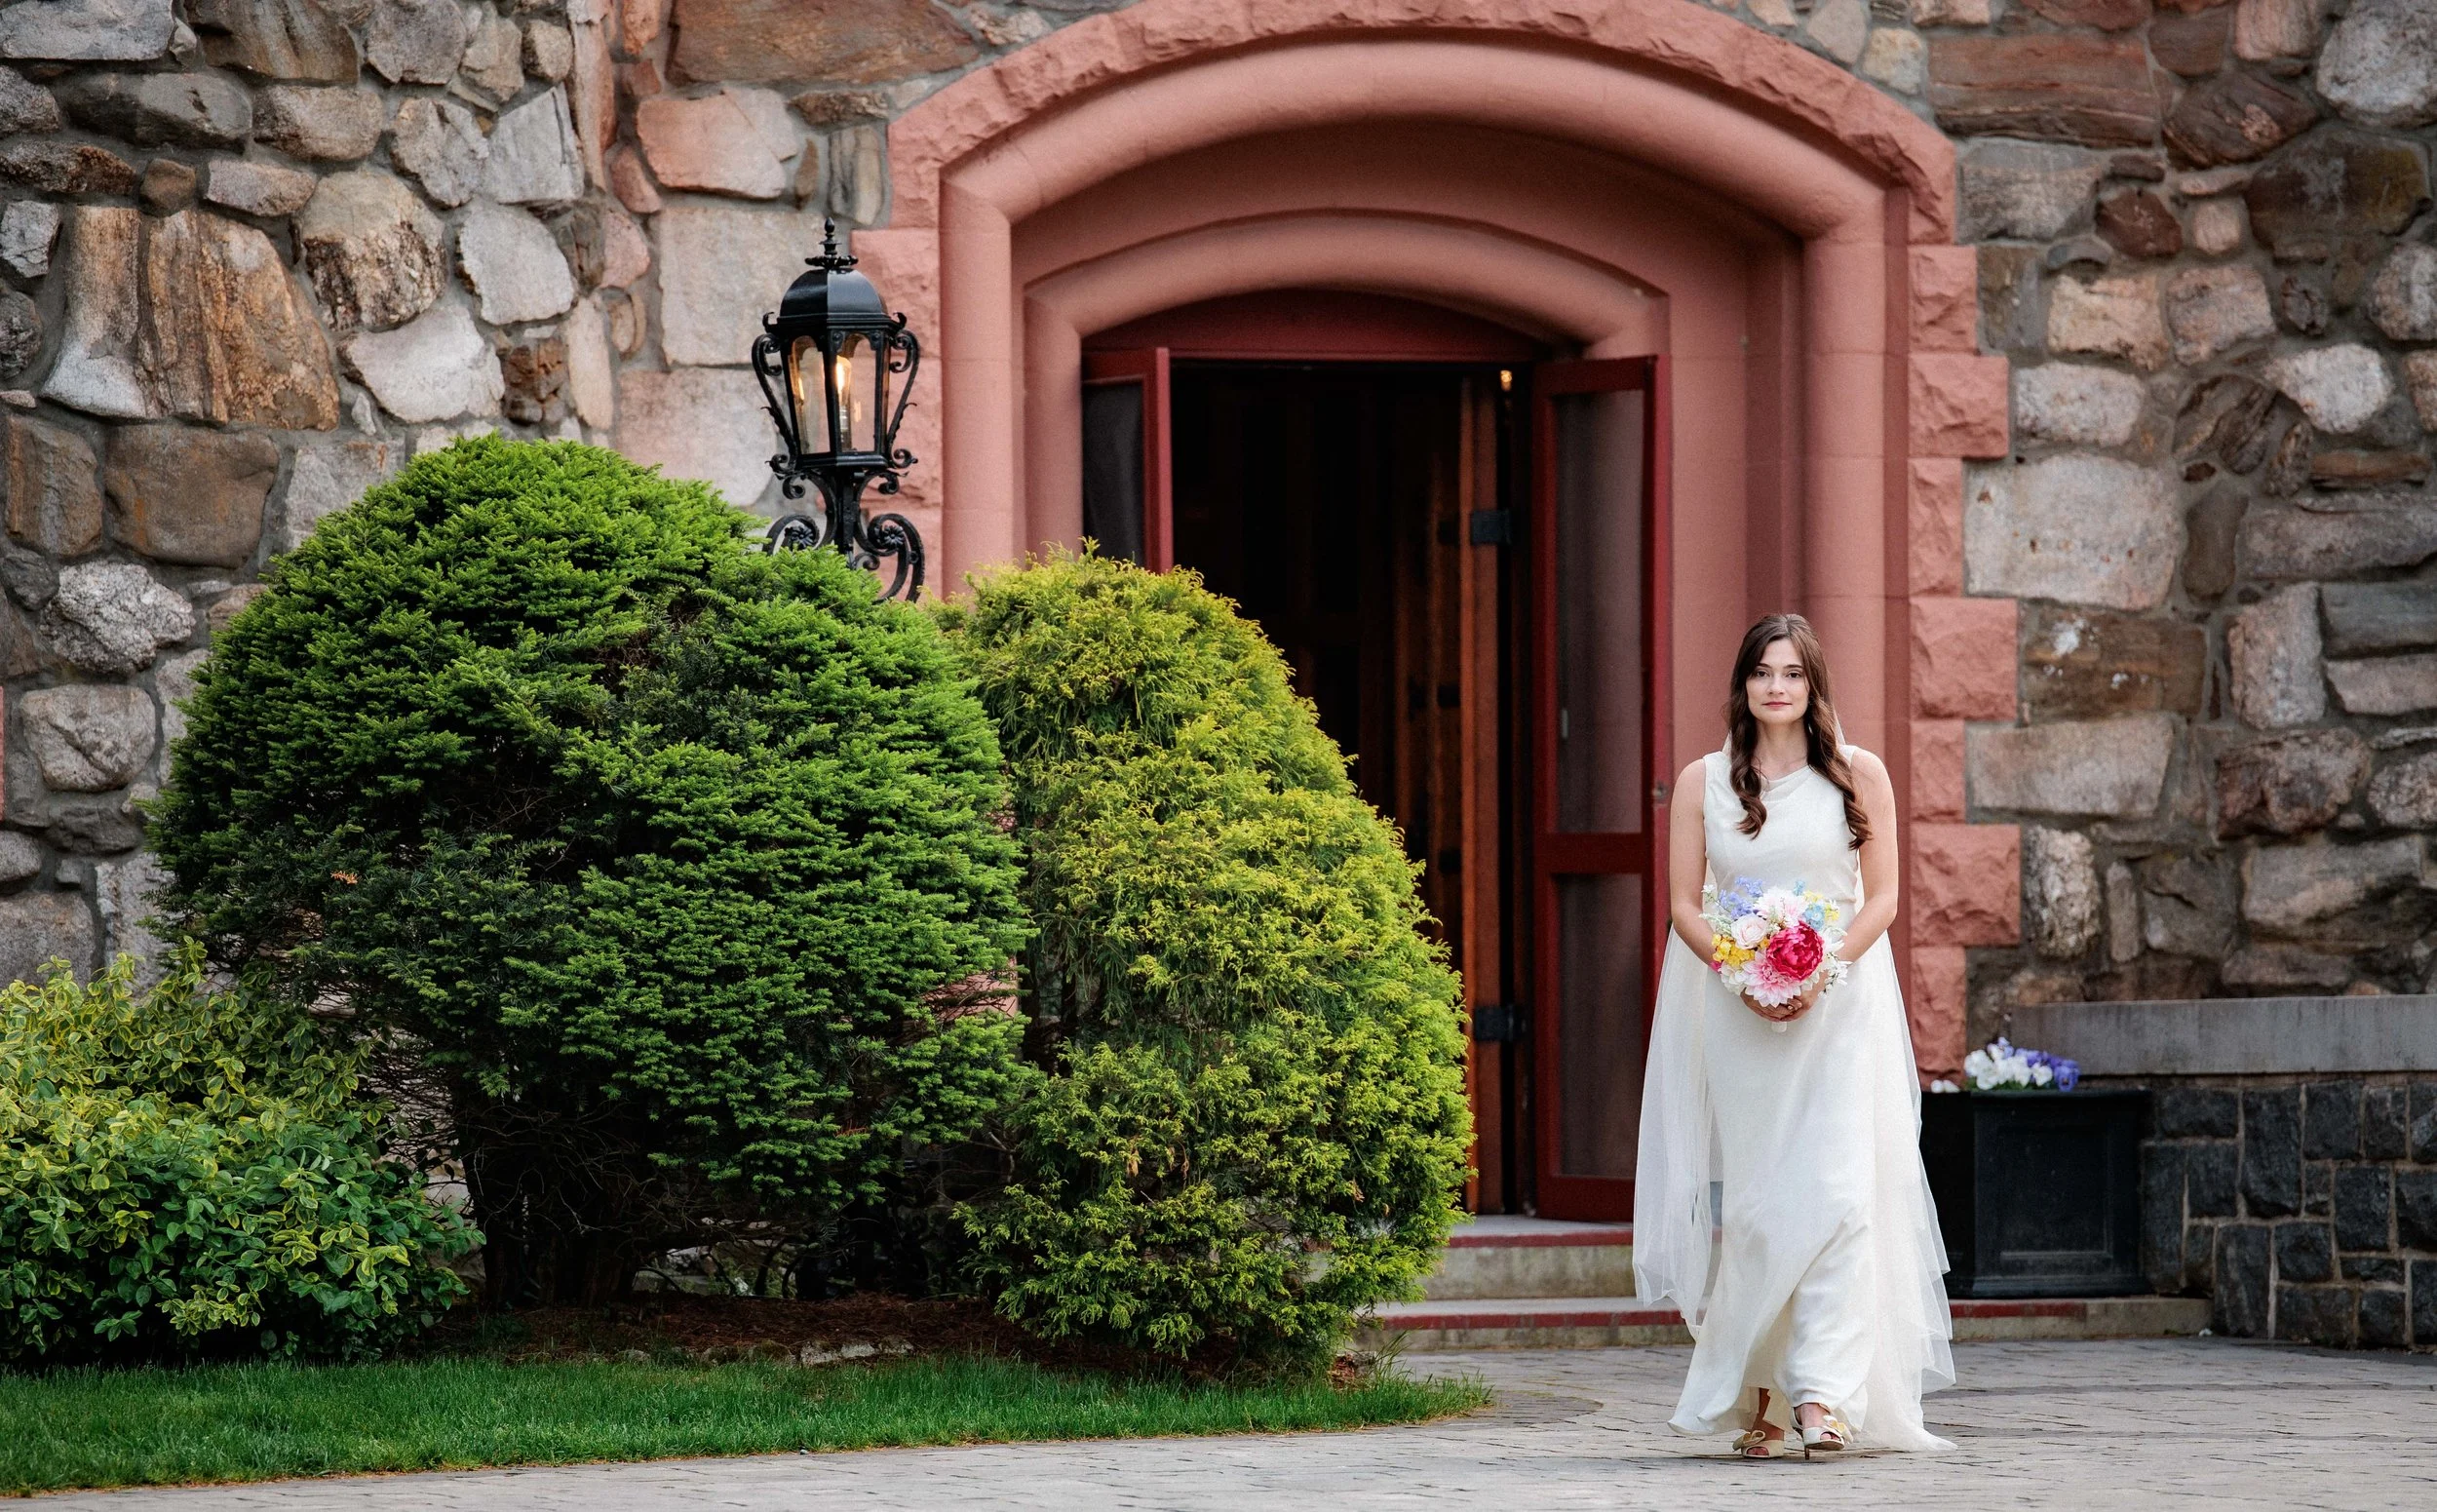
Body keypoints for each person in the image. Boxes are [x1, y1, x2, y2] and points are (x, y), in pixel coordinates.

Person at [1633, 612, 1954, 1457]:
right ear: (1742, 683)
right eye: (1762, 672)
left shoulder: (1858, 773)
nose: (1776, 687)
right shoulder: (1704, 782)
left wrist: (1819, 971)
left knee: (1842, 1196)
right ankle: (1765, 1397)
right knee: (1763, 1210)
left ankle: (1822, 1395)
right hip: (1742, 1017)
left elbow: (1881, 898)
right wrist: (1744, 974)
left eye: (1793, 674)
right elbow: (1684, 905)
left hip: (1840, 1011)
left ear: (1814, 685)